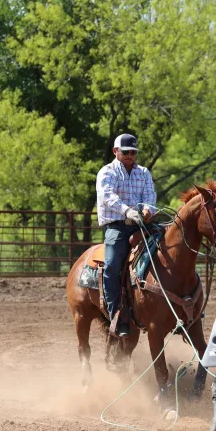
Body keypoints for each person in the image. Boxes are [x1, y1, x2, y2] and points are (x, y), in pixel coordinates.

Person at [96, 134, 156, 337]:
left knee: (169, 248)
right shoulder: (107, 172)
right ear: (116, 151)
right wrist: (127, 211)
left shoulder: (144, 173)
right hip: (118, 226)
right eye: (126, 152)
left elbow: (150, 196)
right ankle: (116, 317)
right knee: (112, 266)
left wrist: (148, 209)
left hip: (142, 225)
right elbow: (108, 196)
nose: (131, 156)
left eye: (133, 152)